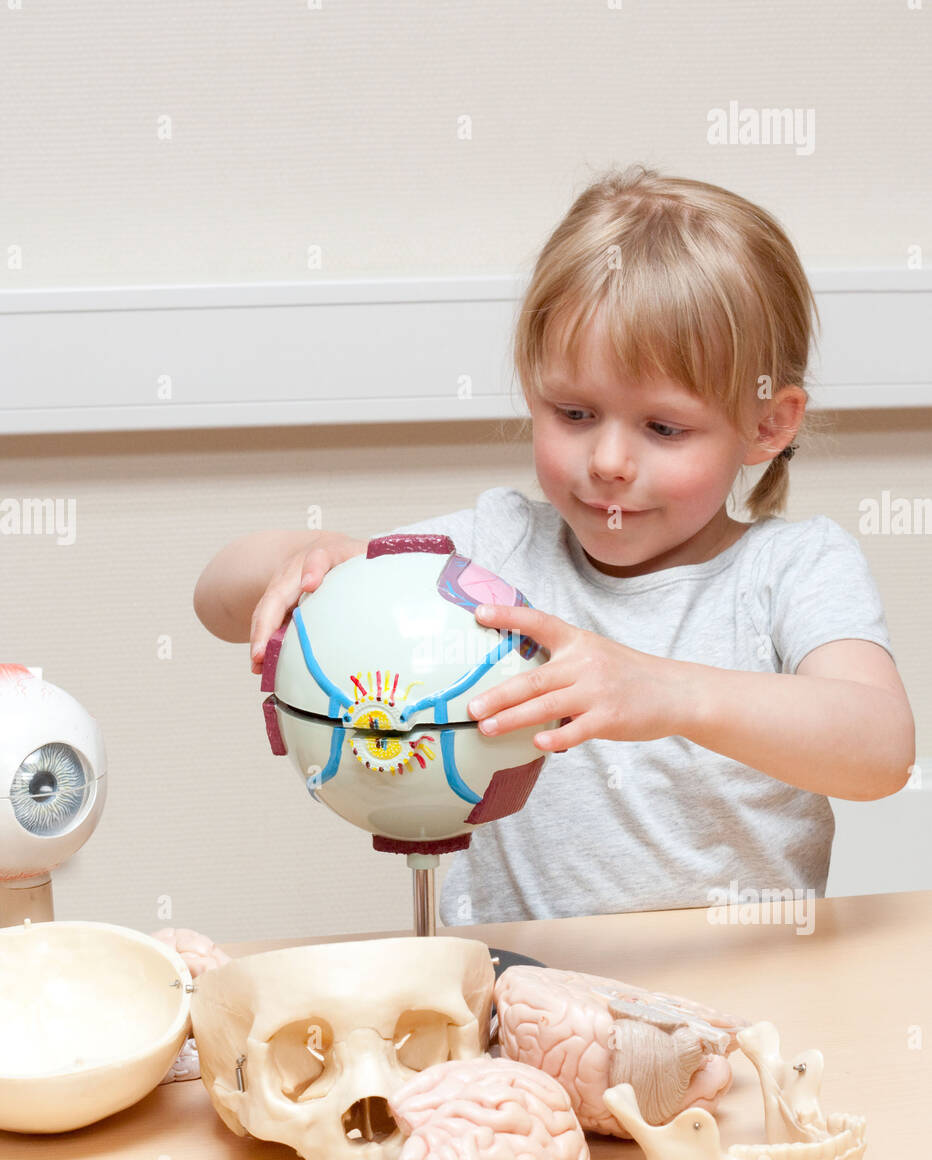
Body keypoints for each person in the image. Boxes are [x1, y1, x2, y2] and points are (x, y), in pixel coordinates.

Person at [194, 165, 915, 928]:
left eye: (663, 428)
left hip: (743, 1012)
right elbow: (215, 597)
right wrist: (304, 558)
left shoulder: (791, 570)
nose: (608, 460)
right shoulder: (495, 556)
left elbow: (881, 749)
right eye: (574, 412)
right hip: (530, 1007)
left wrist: (669, 692)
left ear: (768, 425)